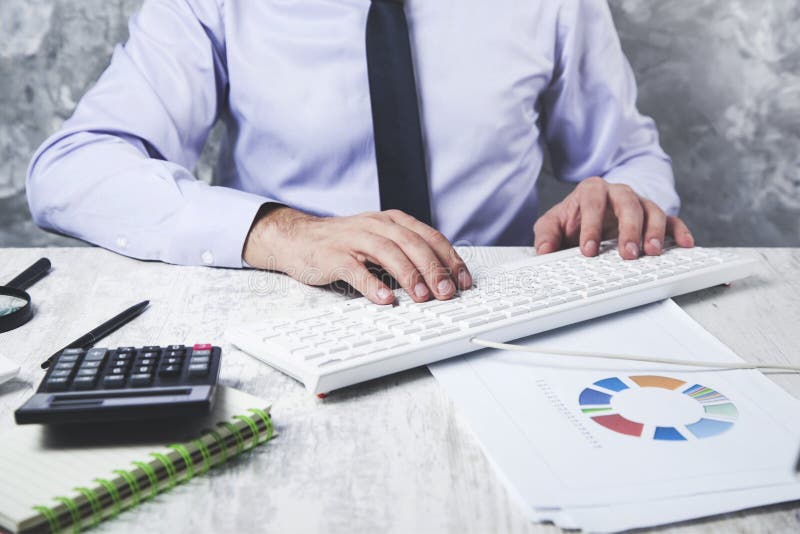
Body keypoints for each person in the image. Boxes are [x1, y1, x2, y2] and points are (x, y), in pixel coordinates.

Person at [26, 0, 694, 305]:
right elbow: (71, 171)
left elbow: (629, 157)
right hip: (288, 313)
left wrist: (623, 197)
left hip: (497, 308)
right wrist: (280, 232)